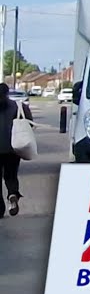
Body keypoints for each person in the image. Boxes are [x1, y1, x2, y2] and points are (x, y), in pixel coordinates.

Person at [0, 82, 32, 218]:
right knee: (11, 175)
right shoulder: (19, 106)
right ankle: (12, 194)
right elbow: (30, 123)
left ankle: (0, 210)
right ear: (8, 93)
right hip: (13, 148)